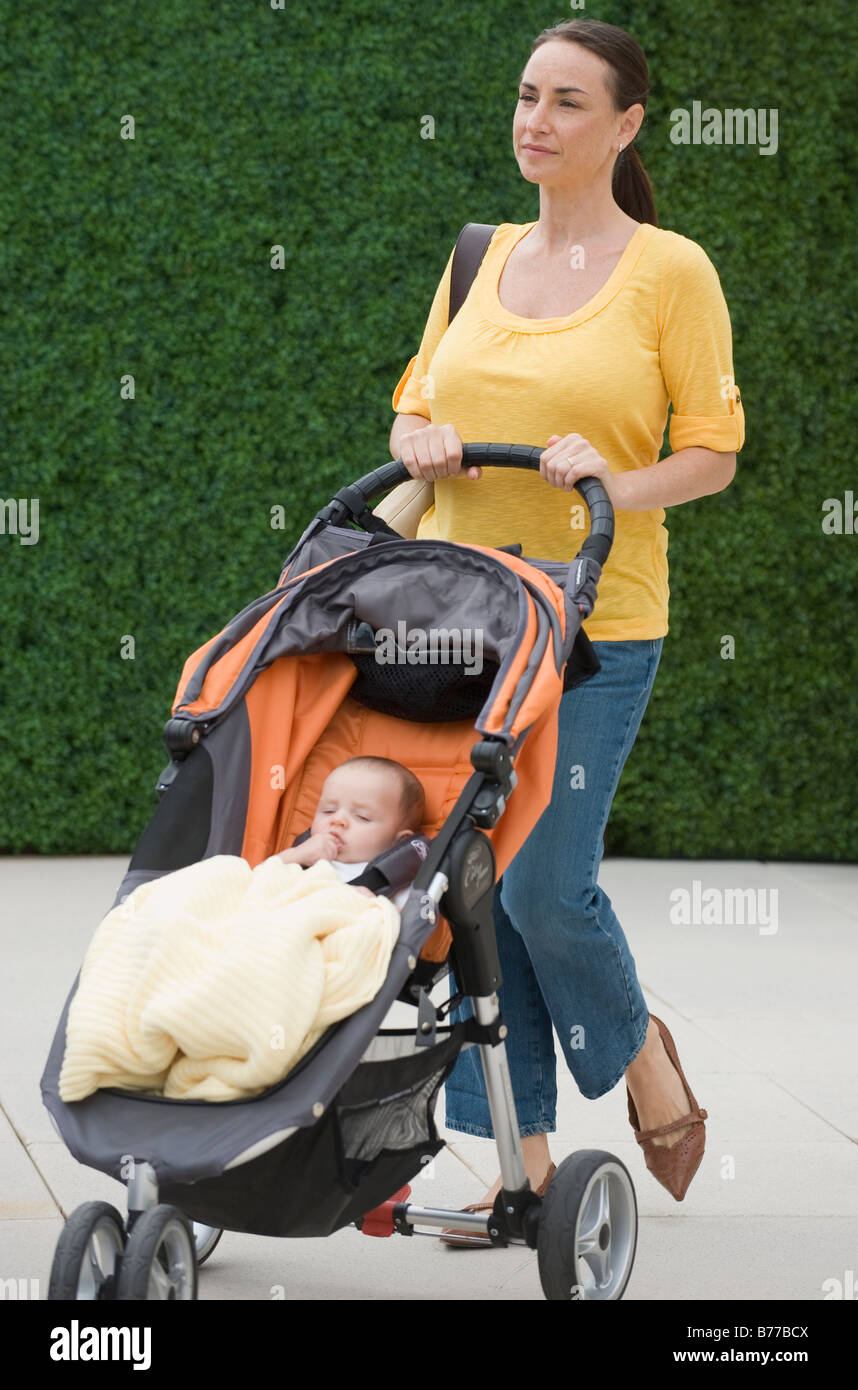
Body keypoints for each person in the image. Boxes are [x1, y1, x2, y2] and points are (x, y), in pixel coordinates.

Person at [388, 17, 744, 1238]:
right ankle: (523, 1164)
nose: (536, 120)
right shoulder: (476, 256)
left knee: (544, 885)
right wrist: (421, 440)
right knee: (469, 892)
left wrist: (614, 474)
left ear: (628, 124)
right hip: (458, 620)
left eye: (569, 102)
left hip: (596, 620)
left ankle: (639, 1043)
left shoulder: (671, 271)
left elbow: (713, 452)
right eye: (528, 96)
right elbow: (412, 411)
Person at [276, 756, 427, 908]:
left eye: (362, 817)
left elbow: (404, 925)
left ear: (399, 842)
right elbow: (257, 882)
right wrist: (294, 855)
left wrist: (376, 906)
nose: (338, 819)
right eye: (328, 811)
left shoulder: (393, 880)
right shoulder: (300, 857)